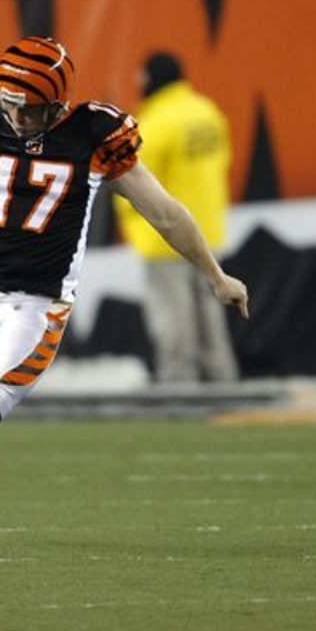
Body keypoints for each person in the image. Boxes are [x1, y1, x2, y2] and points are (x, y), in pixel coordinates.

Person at [0, 37, 249, 561]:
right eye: (9, 104)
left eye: (27, 110)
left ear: (55, 104)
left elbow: (164, 211)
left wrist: (215, 275)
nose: (16, 117)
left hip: (35, 310)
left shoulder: (94, 137)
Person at [114, 52, 240, 383]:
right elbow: (224, 163)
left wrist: (132, 221)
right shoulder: (207, 113)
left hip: (164, 238)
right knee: (212, 317)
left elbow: (132, 181)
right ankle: (224, 387)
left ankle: (176, 391)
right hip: (209, 232)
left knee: (174, 324)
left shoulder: (156, 123)